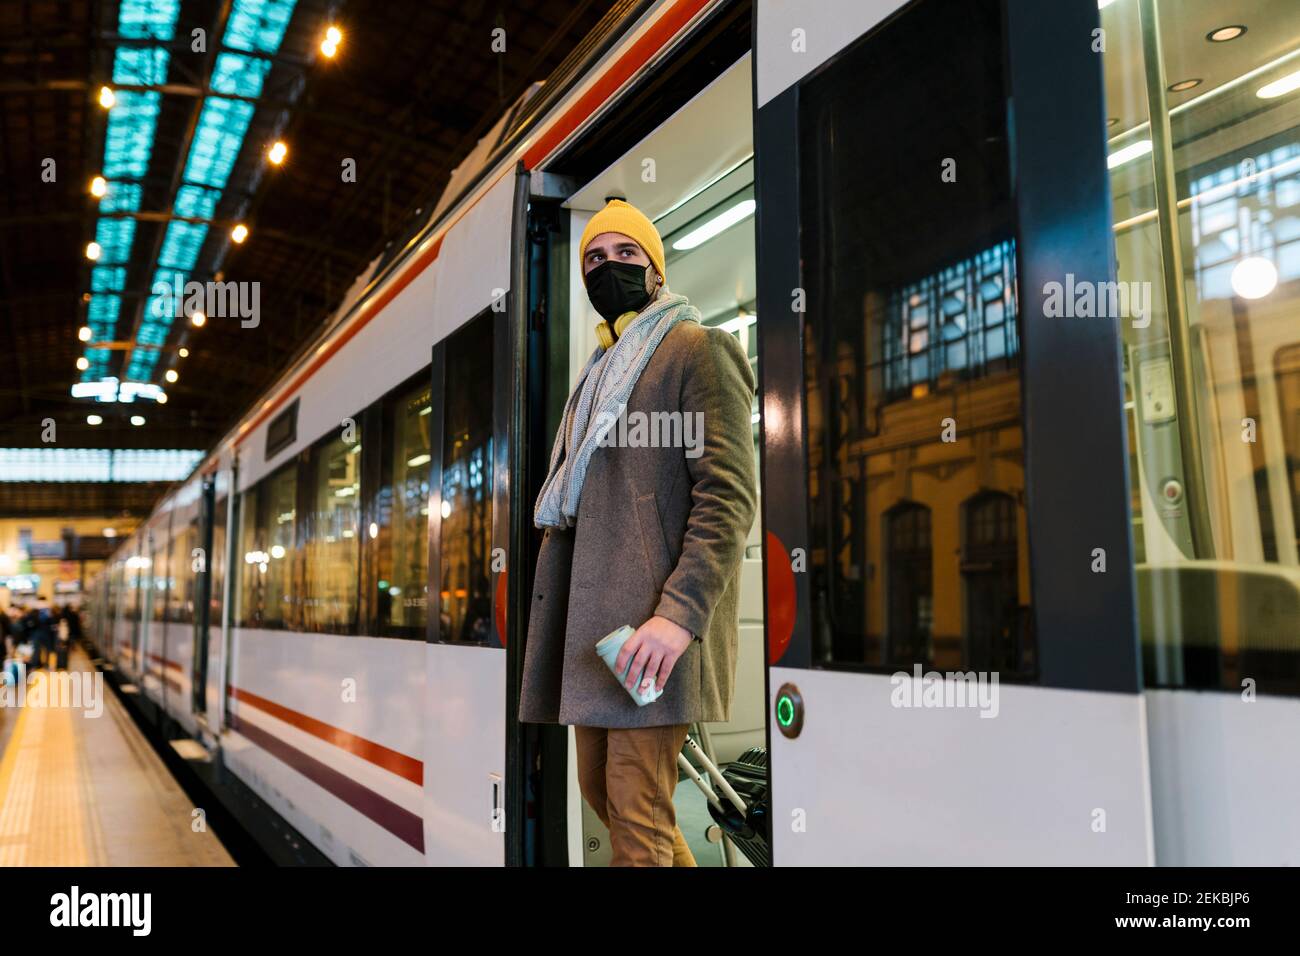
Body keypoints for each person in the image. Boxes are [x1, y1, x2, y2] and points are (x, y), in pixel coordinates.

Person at [518, 199, 757, 866]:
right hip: (597, 637)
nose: (607, 267)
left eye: (626, 255)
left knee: (636, 816)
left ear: (655, 268)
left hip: (650, 635)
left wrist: (678, 618)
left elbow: (729, 498)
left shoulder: (697, 351)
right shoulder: (598, 373)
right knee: (612, 801)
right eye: (594, 258)